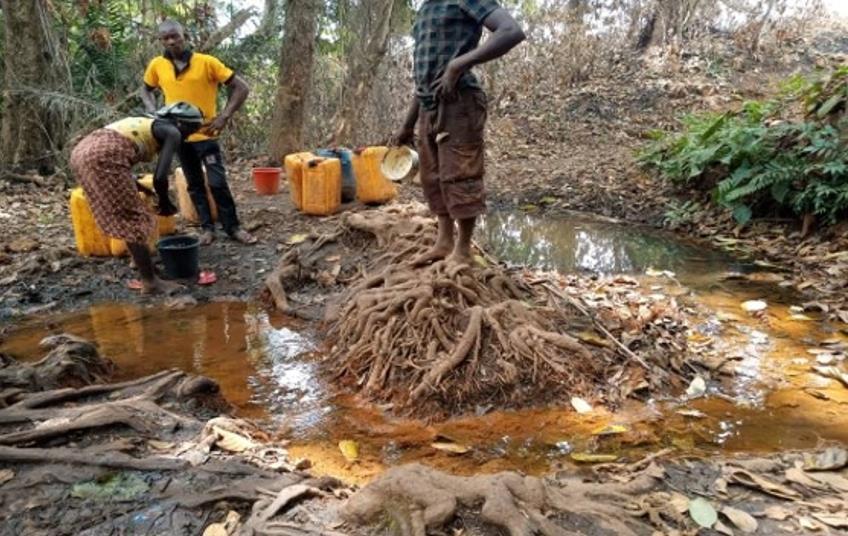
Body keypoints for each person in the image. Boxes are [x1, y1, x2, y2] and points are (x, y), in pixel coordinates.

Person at [391, 0, 525, 265]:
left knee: (460, 176)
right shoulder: (425, 9)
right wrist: (407, 125)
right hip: (429, 106)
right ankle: (444, 242)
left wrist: (458, 65)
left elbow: (511, 31)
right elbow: (423, 79)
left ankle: (463, 251)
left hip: (460, 101)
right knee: (432, 177)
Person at [141, 20, 256, 246]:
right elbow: (145, 89)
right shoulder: (157, 65)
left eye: (175, 36)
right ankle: (207, 228)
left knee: (217, 182)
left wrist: (224, 116)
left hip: (207, 135)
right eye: (166, 38)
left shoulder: (207, 62)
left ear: (185, 34)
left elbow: (241, 87)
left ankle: (233, 227)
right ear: (161, 40)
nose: (171, 41)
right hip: (178, 136)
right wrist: (152, 110)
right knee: (194, 184)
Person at [70, 102, 204, 294]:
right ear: (180, 123)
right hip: (101, 157)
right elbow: (159, 177)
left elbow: (118, 161)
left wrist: (140, 187)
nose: (187, 136)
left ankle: (143, 265)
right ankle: (150, 282)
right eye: (190, 130)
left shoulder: (148, 123)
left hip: (82, 153)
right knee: (133, 218)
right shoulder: (172, 131)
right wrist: (165, 203)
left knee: (129, 211)